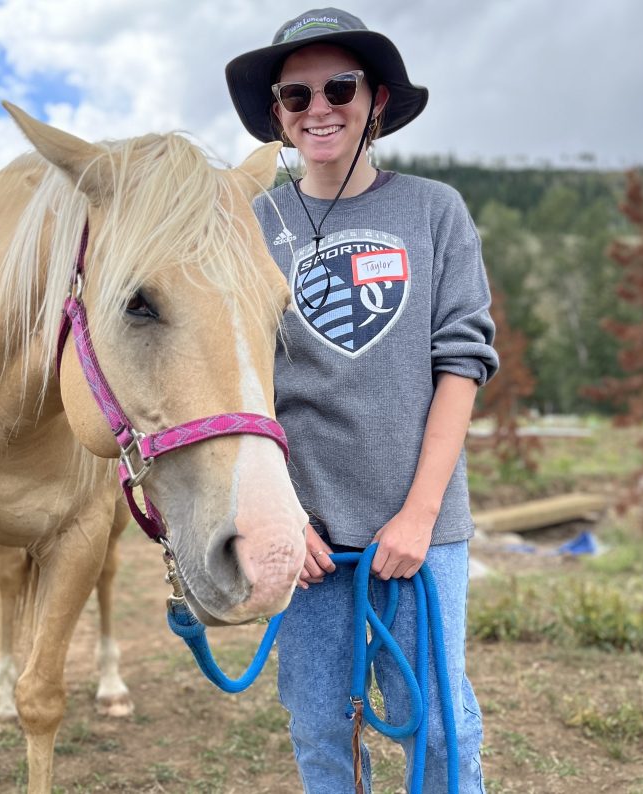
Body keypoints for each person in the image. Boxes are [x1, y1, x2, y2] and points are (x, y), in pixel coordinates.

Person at [225, 8, 499, 793]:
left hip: (421, 532)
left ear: (376, 99)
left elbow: (461, 364)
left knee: (442, 732)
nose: (320, 107)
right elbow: (244, 379)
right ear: (276, 114)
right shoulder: (253, 225)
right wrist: (281, 520)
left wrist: (418, 515)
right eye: (295, 94)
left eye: (339, 86)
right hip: (308, 543)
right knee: (320, 732)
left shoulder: (434, 210)